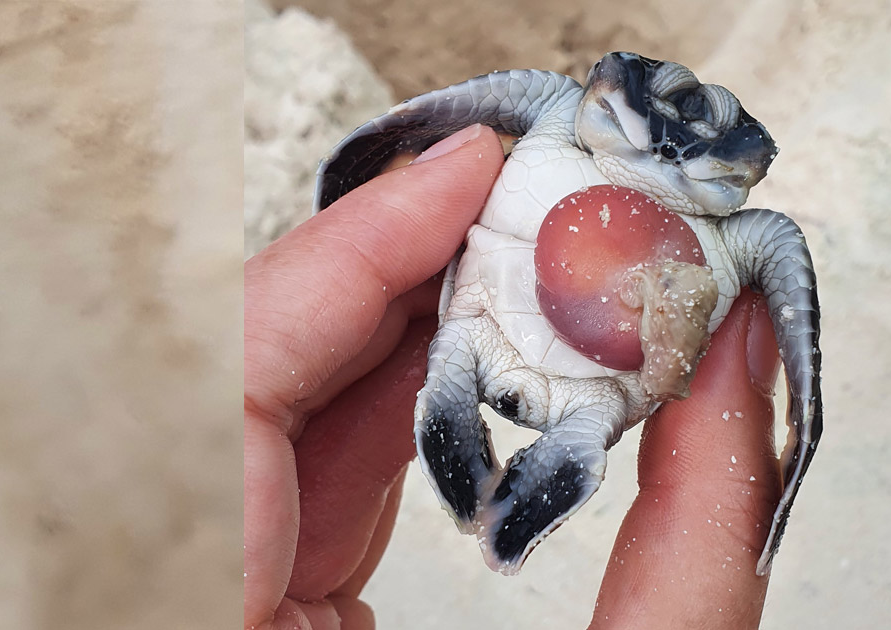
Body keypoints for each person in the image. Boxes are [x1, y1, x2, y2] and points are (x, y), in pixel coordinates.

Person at [244, 124, 783, 630]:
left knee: (537, 425)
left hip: (584, 385)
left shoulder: (750, 238)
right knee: (447, 392)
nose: (674, 148)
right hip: (487, 329)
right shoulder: (559, 120)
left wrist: (345, 189)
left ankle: (506, 530)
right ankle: (493, 516)